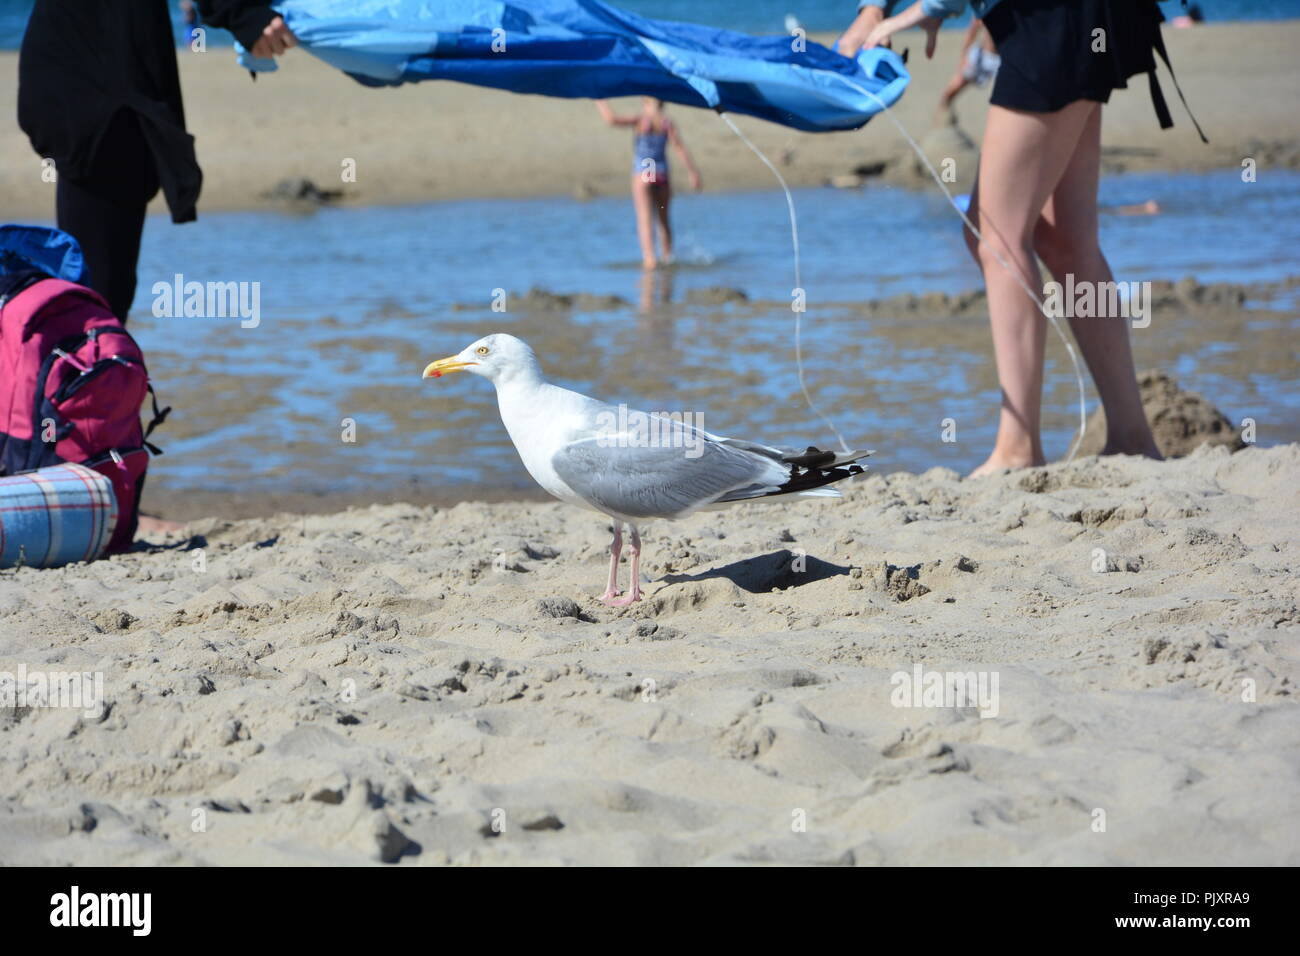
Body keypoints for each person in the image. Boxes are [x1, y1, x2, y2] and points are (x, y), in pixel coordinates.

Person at [840, 0, 1181, 475]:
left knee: (995, 233)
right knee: (1066, 241)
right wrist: (877, 9)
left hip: (1054, 21)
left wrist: (920, 11)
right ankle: (1130, 438)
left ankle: (1018, 449)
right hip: (1084, 18)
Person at [17, 0, 297, 323]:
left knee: (97, 297)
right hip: (98, 89)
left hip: (84, 74)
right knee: (97, 306)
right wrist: (243, 14)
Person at [596, 98, 702, 270]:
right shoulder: (666, 122)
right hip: (660, 173)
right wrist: (693, 172)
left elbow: (611, 120)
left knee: (645, 220)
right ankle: (667, 256)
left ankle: (650, 259)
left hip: (645, 171)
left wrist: (599, 100)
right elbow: (679, 147)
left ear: (645, 101)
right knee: (663, 219)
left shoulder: (641, 120)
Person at [936, 19, 1000, 124]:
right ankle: (944, 112)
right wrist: (964, 56)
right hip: (983, 55)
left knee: (1004, 97)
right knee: (955, 86)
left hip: (1004, 58)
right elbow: (973, 29)